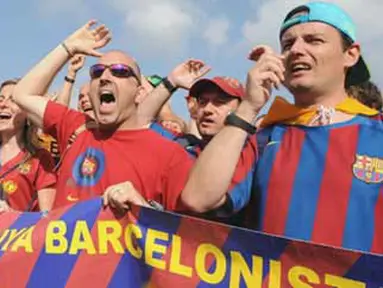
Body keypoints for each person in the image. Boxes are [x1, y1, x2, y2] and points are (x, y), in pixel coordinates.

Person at [183, 2, 383, 254]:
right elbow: (197, 199)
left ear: (350, 54)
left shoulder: (377, 133)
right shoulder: (263, 137)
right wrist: (249, 106)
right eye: (288, 45)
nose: (297, 50)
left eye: (314, 40)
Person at [13, 21, 223, 214]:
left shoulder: (170, 154)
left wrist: (144, 210)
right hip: (59, 255)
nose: (105, 77)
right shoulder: (76, 127)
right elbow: (22, 94)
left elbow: (187, 237)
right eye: (97, 72)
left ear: (139, 93)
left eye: (120, 72)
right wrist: (68, 47)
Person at [0, 79, 56, 212]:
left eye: (13, 100)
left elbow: (48, 219)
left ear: (28, 113)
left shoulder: (40, 159)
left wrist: (11, 215)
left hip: (18, 232)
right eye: (1, 98)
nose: (3, 104)